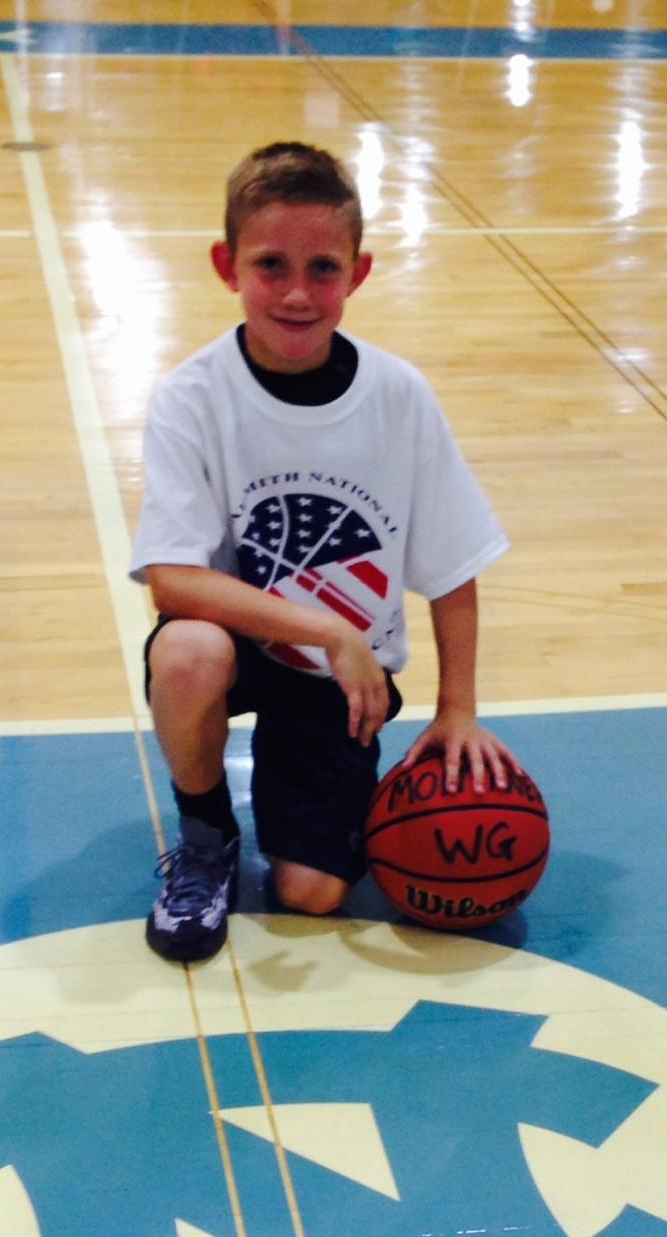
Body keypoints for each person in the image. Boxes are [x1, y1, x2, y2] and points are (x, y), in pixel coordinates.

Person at [130, 140, 517, 962]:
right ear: (227, 266)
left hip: (340, 684)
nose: (298, 293)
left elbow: (454, 567)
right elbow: (170, 580)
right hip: (242, 643)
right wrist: (329, 627)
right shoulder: (192, 398)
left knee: (313, 893)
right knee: (188, 652)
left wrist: (457, 708)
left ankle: (318, 808)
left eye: (324, 268)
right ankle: (205, 839)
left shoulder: (398, 396)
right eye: (271, 265)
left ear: (358, 273)